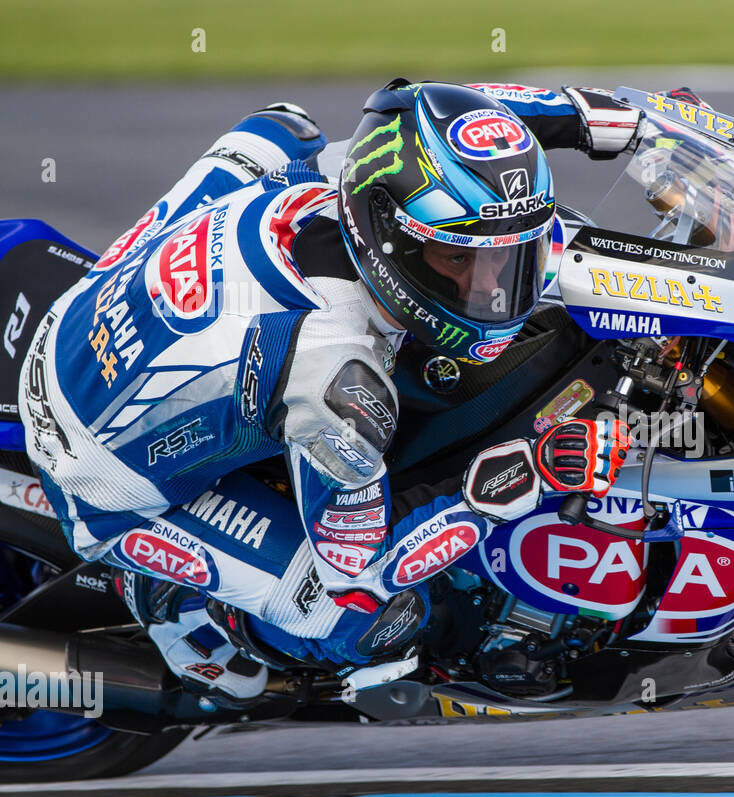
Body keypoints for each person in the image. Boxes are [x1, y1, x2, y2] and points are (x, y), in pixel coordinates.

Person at [16, 80, 672, 703]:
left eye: (510, 257)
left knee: (286, 128)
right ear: (388, 239)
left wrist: (605, 120)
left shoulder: (369, 173)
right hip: (94, 462)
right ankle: (180, 604)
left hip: (105, 316)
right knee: (357, 618)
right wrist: (527, 471)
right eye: (462, 261)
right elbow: (359, 565)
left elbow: (421, 111)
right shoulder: (339, 379)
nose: (495, 285)